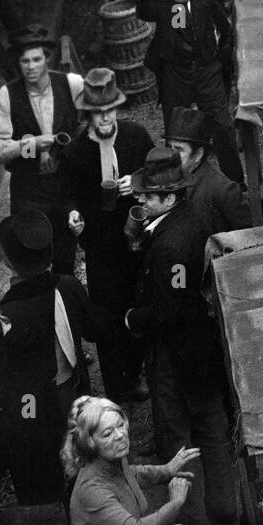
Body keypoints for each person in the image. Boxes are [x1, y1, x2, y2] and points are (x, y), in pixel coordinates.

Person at [0, 208, 110, 520]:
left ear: (9, 262)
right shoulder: (69, 286)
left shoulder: (3, 314)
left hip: (30, 420)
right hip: (74, 400)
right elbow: (97, 330)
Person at [122, 149, 238, 524]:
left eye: (147, 195)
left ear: (169, 198)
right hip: (203, 344)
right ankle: (226, 509)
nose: (140, 199)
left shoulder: (170, 245)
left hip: (174, 353)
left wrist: (131, 319)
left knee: (176, 437)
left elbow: (166, 311)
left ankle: (190, 514)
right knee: (214, 427)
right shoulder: (193, 217)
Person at [58, 69, 153, 402]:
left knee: (139, 305)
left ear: (117, 109)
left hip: (137, 240)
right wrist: (72, 213)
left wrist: (138, 182)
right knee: (108, 317)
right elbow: (66, 192)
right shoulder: (74, 153)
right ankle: (116, 384)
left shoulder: (136, 136)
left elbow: (158, 171)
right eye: (97, 114)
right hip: (100, 247)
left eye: (109, 111)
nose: (104, 119)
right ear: (88, 115)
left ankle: (136, 368)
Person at [0, 25, 84, 276]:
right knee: (29, 262)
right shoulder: (7, 95)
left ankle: (62, 310)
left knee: (64, 261)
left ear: (47, 59)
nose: (31, 66)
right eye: (24, 61)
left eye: (36, 59)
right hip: (28, 190)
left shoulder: (71, 84)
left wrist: (74, 147)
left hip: (64, 188)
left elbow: (96, 116)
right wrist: (31, 145)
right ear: (18, 63)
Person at [136, 0, 242, 184]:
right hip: (176, 76)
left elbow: (226, 31)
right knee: (176, 132)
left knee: (223, 128)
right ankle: (174, 185)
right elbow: (144, 12)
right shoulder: (164, 6)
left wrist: (219, 58)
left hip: (207, 73)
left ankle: (237, 185)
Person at [63, 395, 200, 525]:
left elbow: (130, 474)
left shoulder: (112, 458)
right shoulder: (93, 491)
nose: (120, 435)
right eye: (107, 434)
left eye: (120, 425)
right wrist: (175, 503)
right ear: (90, 443)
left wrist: (166, 470)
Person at [164, 106, 253, 236]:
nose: (172, 155)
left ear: (198, 154)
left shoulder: (223, 189)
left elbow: (245, 233)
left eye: (179, 149)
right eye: (170, 147)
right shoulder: (168, 174)